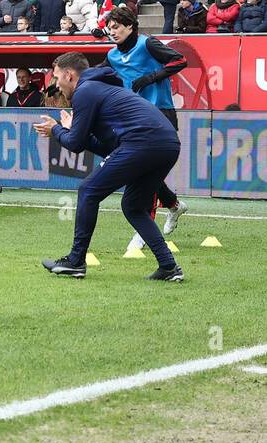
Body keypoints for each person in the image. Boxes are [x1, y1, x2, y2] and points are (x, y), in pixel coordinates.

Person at [35, 53, 184, 282]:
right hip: (166, 144)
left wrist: (57, 130)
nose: (55, 85)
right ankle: (169, 266)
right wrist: (66, 131)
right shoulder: (98, 89)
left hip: (144, 142)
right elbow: (107, 147)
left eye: (56, 78)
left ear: (69, 74)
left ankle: (75, 262)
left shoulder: (85, 92)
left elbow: (74, 143)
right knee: (133, 206)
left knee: (88, 190)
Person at [102, 6, 189, 250]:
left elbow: (181, 60)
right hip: (134, 118)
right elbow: (100, 76)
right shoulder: (111, 55)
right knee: (141, 171)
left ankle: (144, 231)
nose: (112, 32)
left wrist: (151, 78)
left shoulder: (147, 44)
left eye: (117, 26)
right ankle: (172, 204)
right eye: (110, 28)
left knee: (143, 170)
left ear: (130, 26)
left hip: (161, 113)